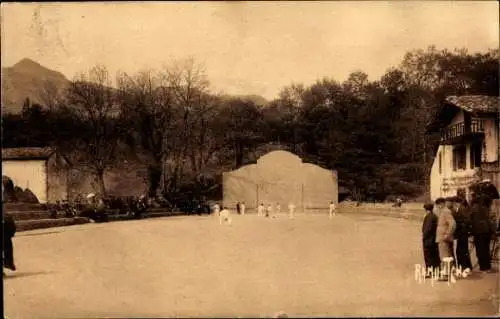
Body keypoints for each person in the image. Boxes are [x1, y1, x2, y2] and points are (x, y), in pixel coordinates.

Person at [470, 195, 495, 272]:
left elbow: (470, 220)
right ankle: (487, 266)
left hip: (478, 232)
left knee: (480, 250)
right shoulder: (486, 208)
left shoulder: (474, 209)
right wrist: (492, 231)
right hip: (486, 232)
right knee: (486, 249)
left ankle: (483, 267)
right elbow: (490, 221)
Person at [435, 197, 456, 280]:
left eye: (437, 205)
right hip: (442, 237)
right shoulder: (443, 211)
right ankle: (448, 273)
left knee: (444, 256)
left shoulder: (445, 212)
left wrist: (448, 234)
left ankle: (446, 275)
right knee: (447, 255)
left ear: (441, 204)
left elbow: (453, 224)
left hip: (443, 237)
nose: (437, 207)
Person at [452, 196, 472, 276]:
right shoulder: (461, 208)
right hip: (462, 233)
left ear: (456, 202)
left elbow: (467, 220)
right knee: (462, 251)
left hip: (462, 233)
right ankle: (466, 267)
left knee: (461, 251)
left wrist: (459, 224)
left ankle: (463, 267)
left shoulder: (462, 209)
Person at [422, 203, 440, 277]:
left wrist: (424, 236)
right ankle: (436, 270)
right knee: (434, 256)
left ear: (426, 209)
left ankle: (430, 272)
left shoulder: (429, 217)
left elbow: (427, 229)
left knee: (428, 256)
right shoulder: (434, 216)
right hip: (433, 239)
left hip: (429, 240)